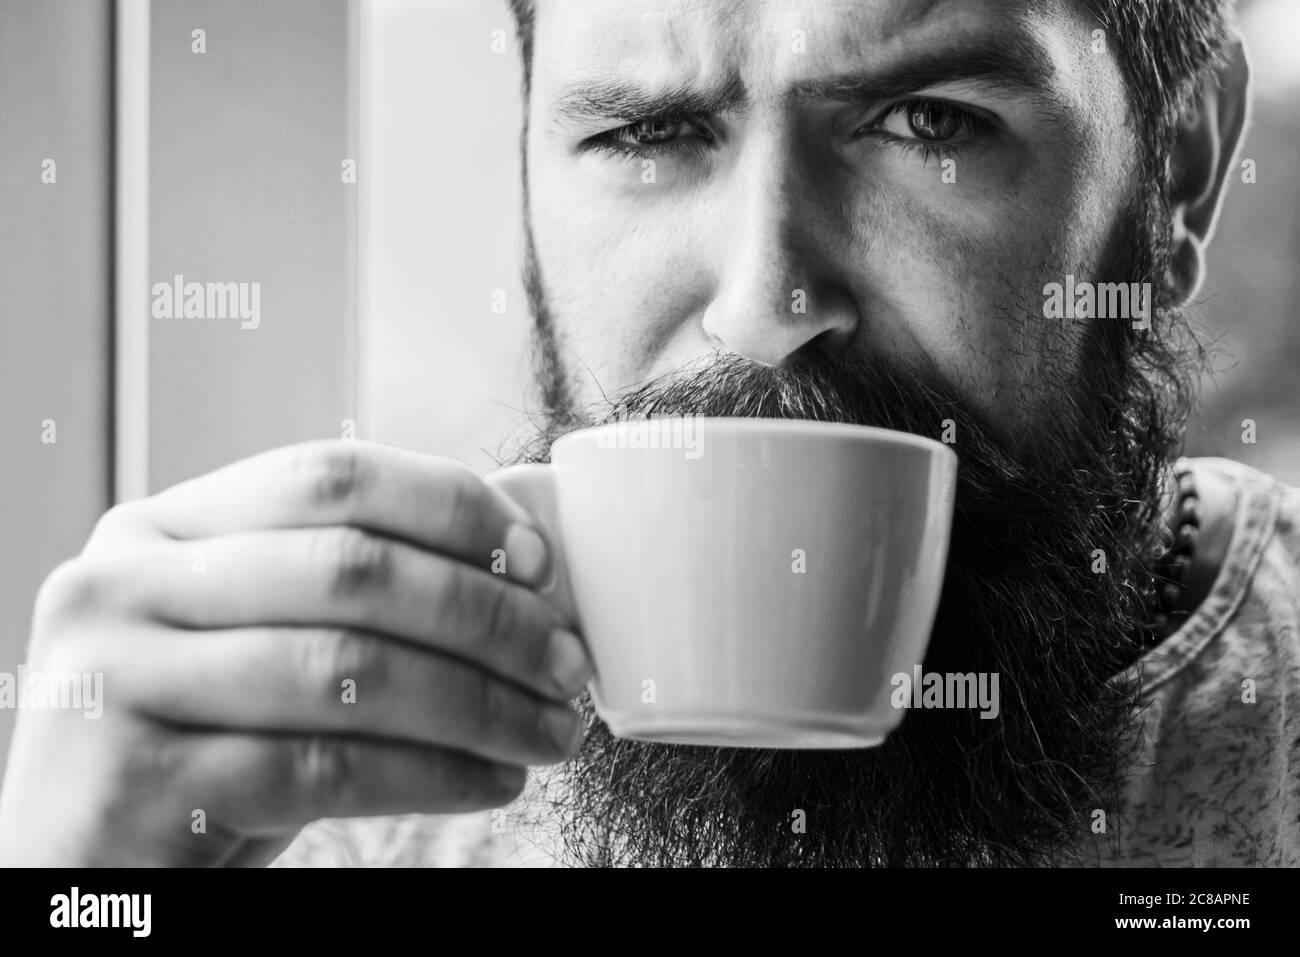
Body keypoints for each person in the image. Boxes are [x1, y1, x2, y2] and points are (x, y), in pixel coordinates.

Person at [2, 0, 1296, 867]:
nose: (765, 300)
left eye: (931, 125)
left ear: (1175, 174)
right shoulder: (335, 802)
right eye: (647, 132)